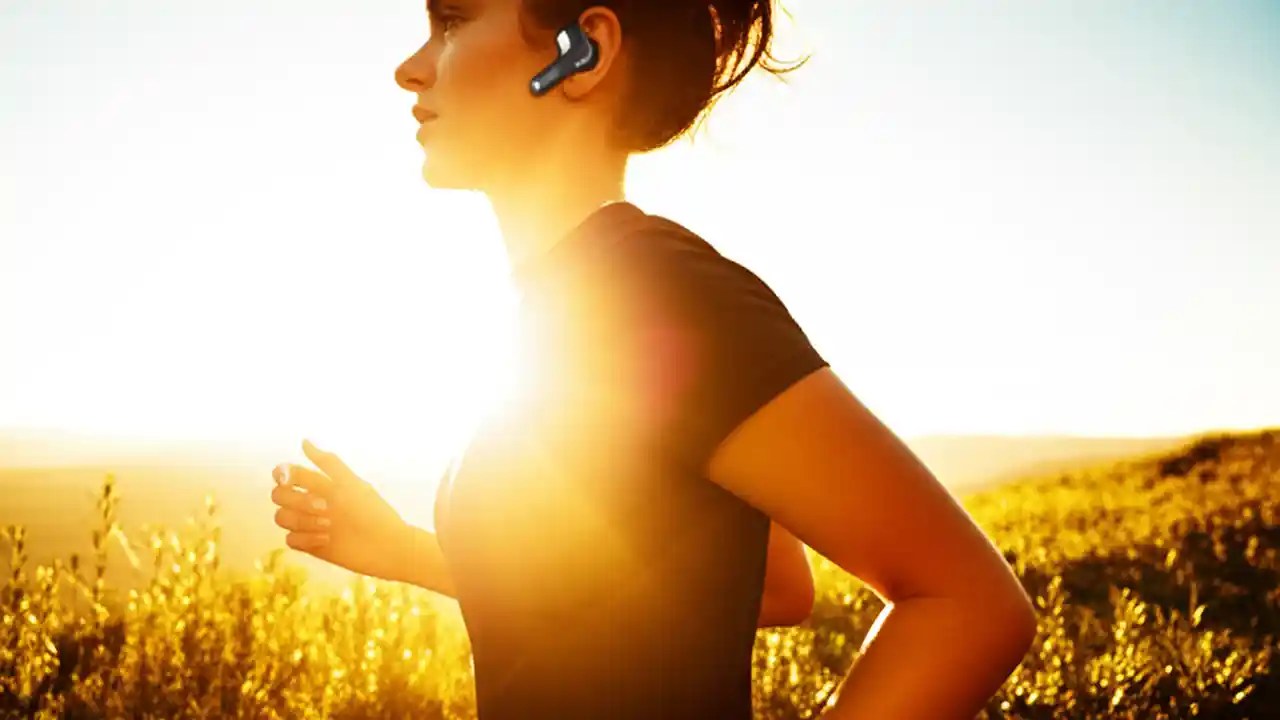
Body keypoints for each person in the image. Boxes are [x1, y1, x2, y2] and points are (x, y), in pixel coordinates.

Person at [268, 1, 1038, 717]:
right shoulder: (562, 310)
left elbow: (969, 602)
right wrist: (407, 551)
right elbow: (770, 588)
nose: (412, 65)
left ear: (583, 52)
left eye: (453, 20)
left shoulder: (661, 295)